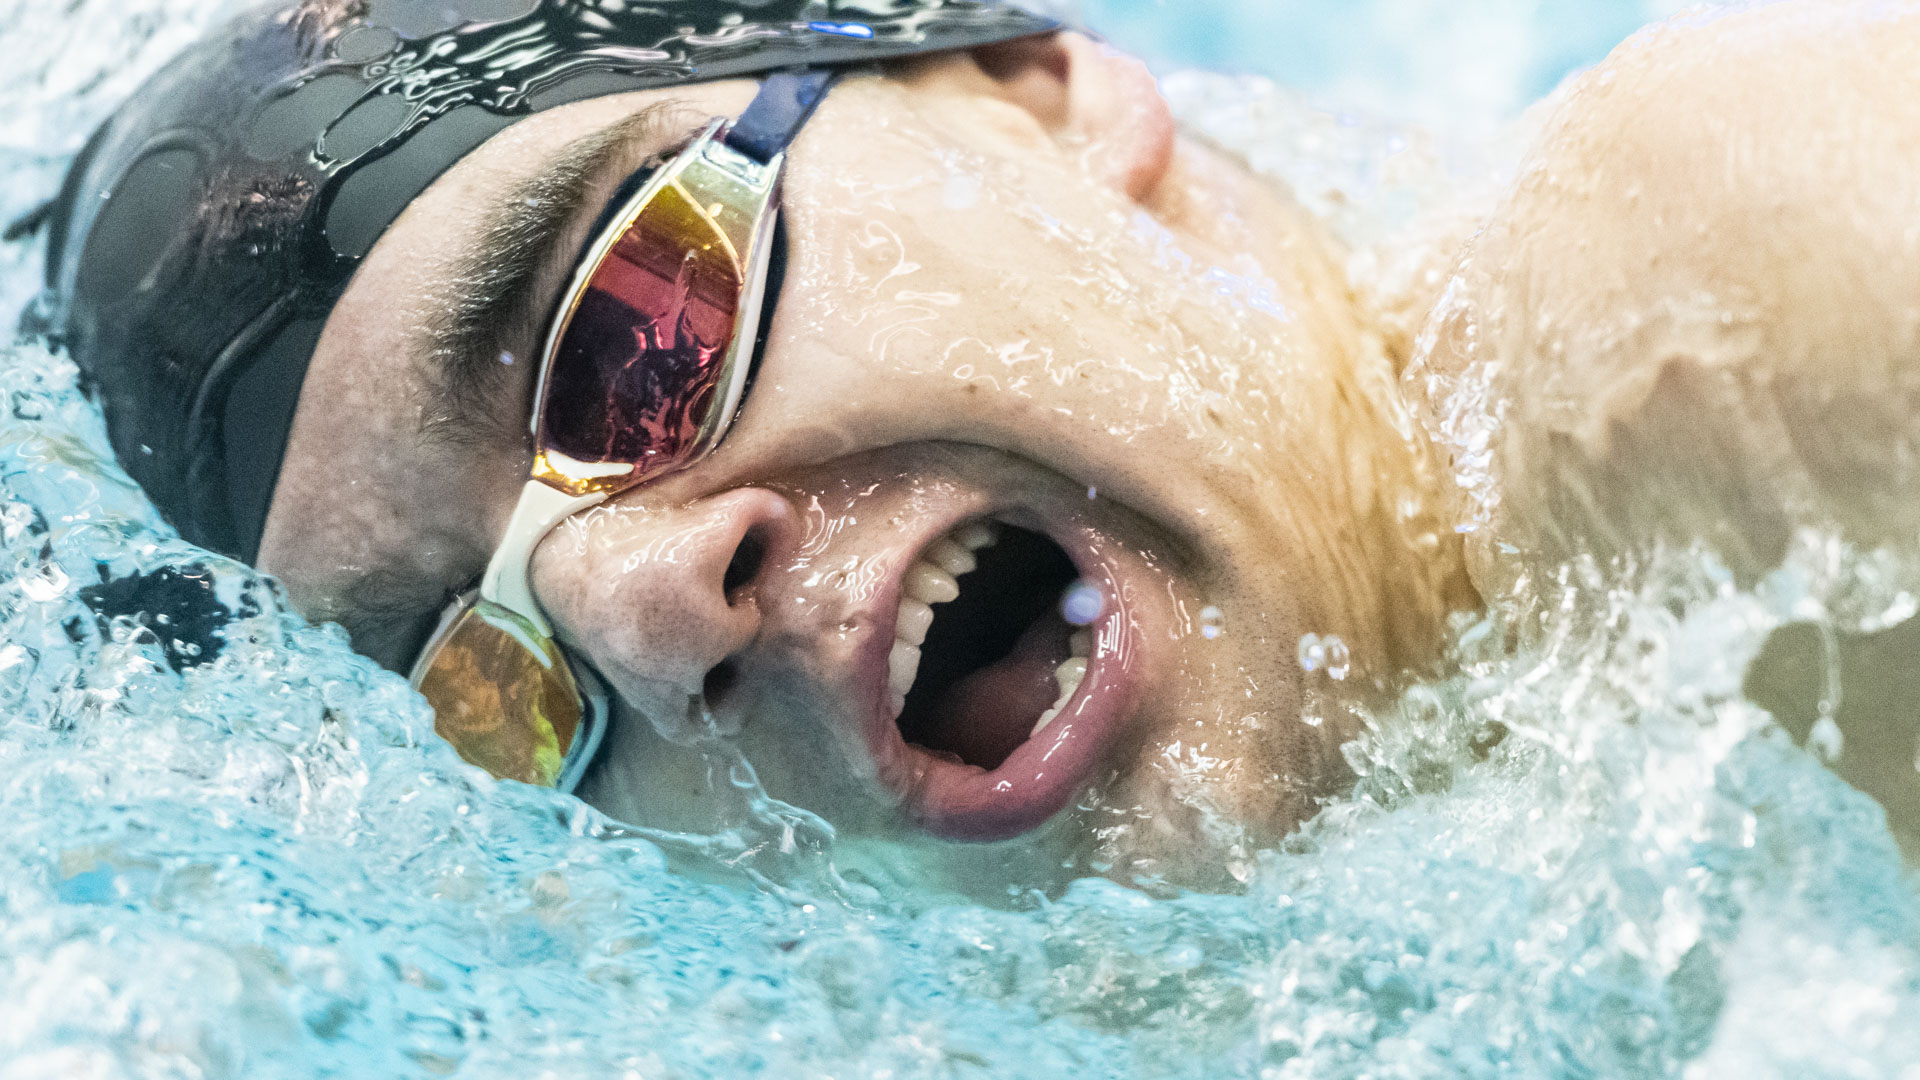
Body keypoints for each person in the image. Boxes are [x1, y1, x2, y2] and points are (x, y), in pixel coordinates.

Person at [36, 0, 1920, 887]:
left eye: (635, 332)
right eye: (480, 684)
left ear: (1037, 93)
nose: (630, 604)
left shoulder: (1752, 291)